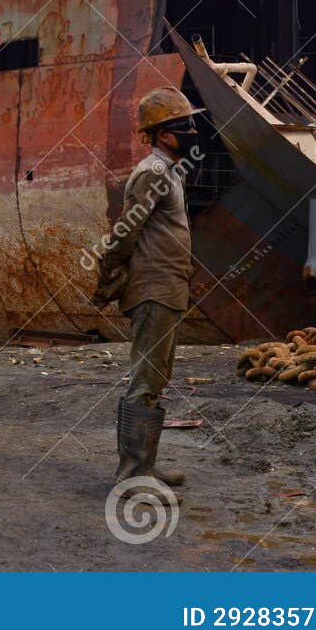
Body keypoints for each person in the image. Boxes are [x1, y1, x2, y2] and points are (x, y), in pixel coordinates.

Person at [92, 86, 202, 492]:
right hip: (154, 289)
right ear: (164, 135)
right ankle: (132, 477)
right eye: (185, 126)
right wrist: (108, 275)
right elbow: (125, 232)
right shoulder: (154, 173)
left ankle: (145, 467)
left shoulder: (171, 172)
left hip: (169, 288)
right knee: (145, 381)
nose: (194, 130)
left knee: (156, 381)